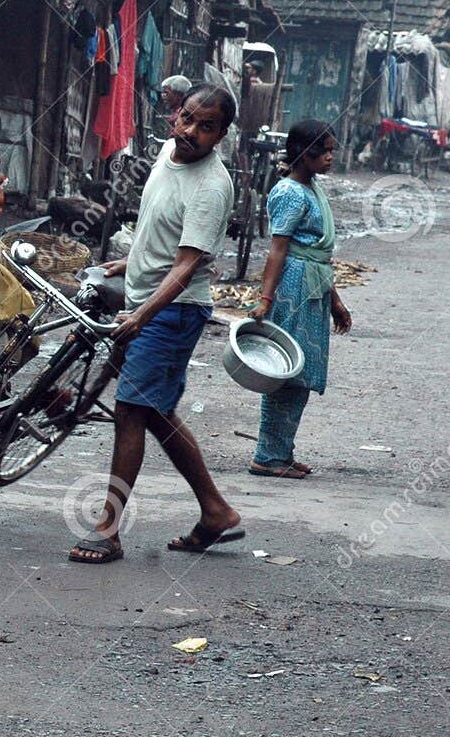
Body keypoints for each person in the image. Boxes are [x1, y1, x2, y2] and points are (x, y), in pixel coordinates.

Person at [70, 84, 243, 563]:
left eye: (205, 127)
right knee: (155, 412)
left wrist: (143, 315)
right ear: (175, 116)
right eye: (186, 118)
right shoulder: (168, 151)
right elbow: (160, 228)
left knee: (130, 411)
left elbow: (187, 264)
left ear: (221, 135)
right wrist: (130, 262)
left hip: (174, 311)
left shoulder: (212, 186)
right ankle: (216, 511)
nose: (190, 131)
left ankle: (107, 529)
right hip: (146, 298)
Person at [248, 120, 351, 478]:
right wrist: (265, 299)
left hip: (313, 286)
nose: (329, 158)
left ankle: (281, 451)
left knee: (301, 372)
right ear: (301, 153)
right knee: (287, 372)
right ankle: (268, 455)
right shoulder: (290, 193)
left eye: (331, 150)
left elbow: (318, 254)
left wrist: (334, 299)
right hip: (293, 288)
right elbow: (278, 250)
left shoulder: (312, 189)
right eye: (323, 151)